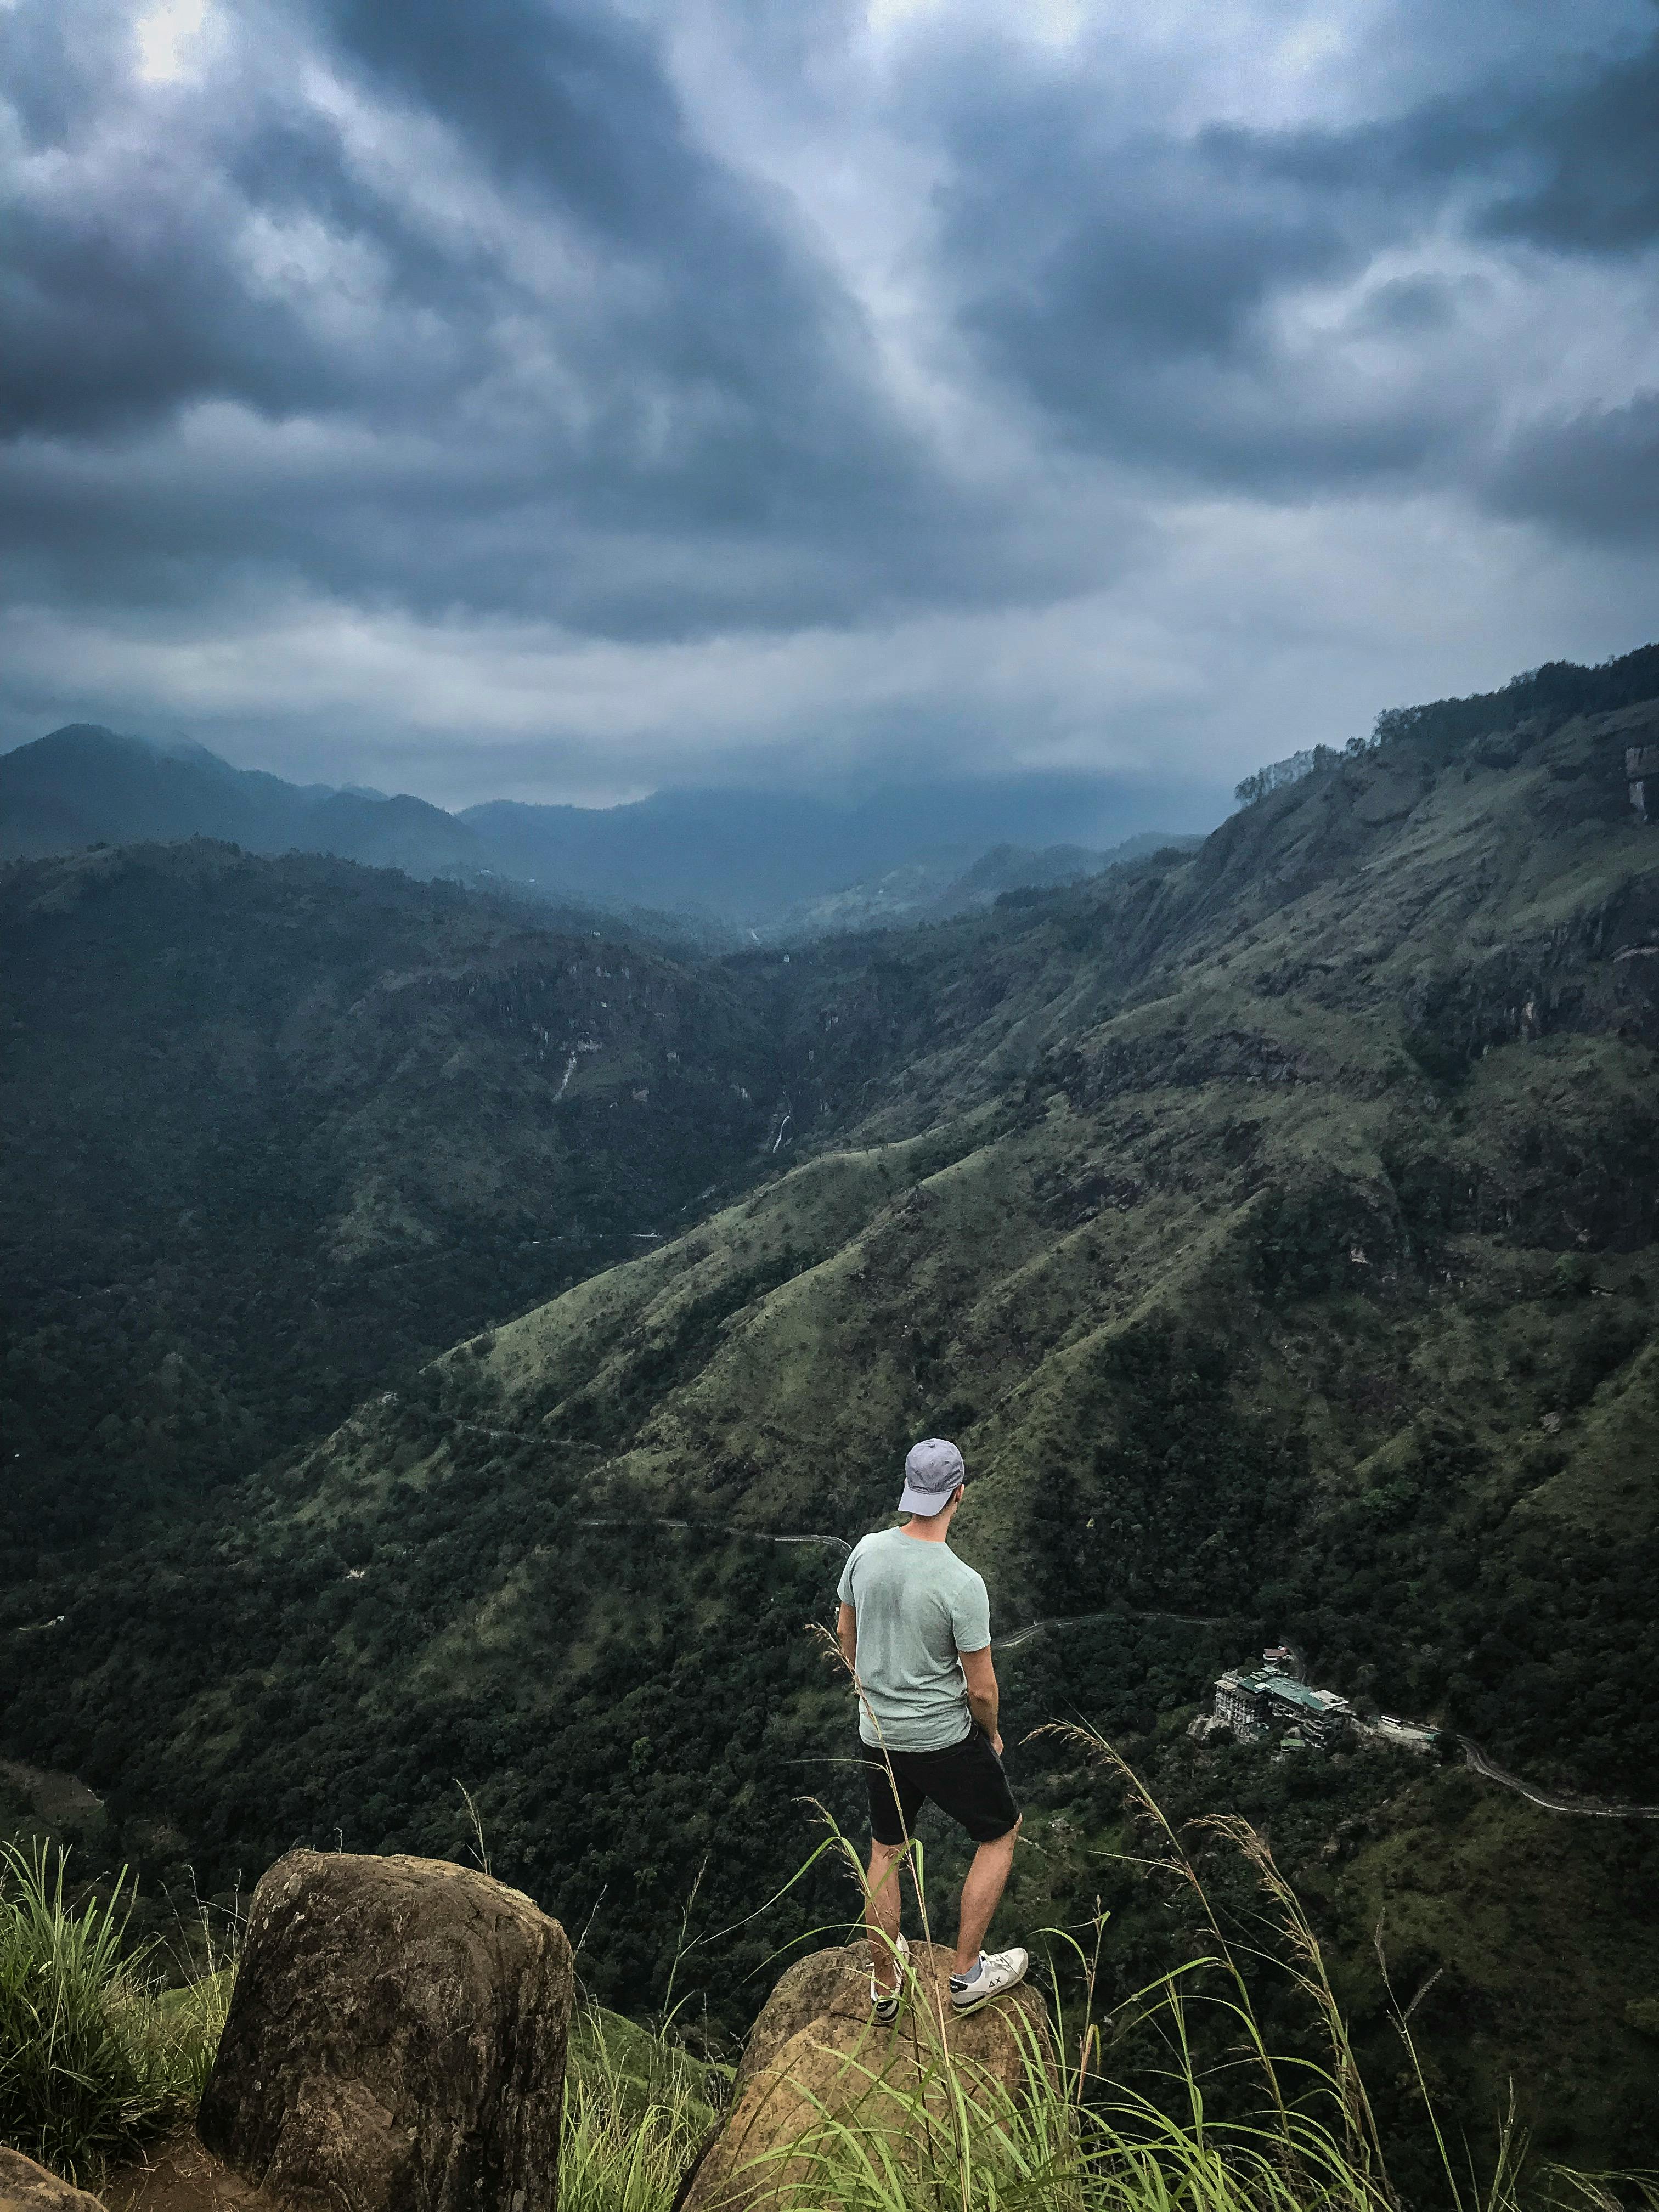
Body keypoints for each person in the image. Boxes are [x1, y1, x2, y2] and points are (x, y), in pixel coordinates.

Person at [836, 1436, 1028, 2022]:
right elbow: (982, 1688)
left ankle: (886, 1986)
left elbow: (845, 1635)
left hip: (878, 1735)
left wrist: (871, 1691)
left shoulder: (865, 1552)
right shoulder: (963, 1583)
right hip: (943, 1740)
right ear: (960, 1494)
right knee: (1000, 1831)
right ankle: (968, 1975)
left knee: (885, 1852)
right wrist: (989, 1736)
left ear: (907, 1490)